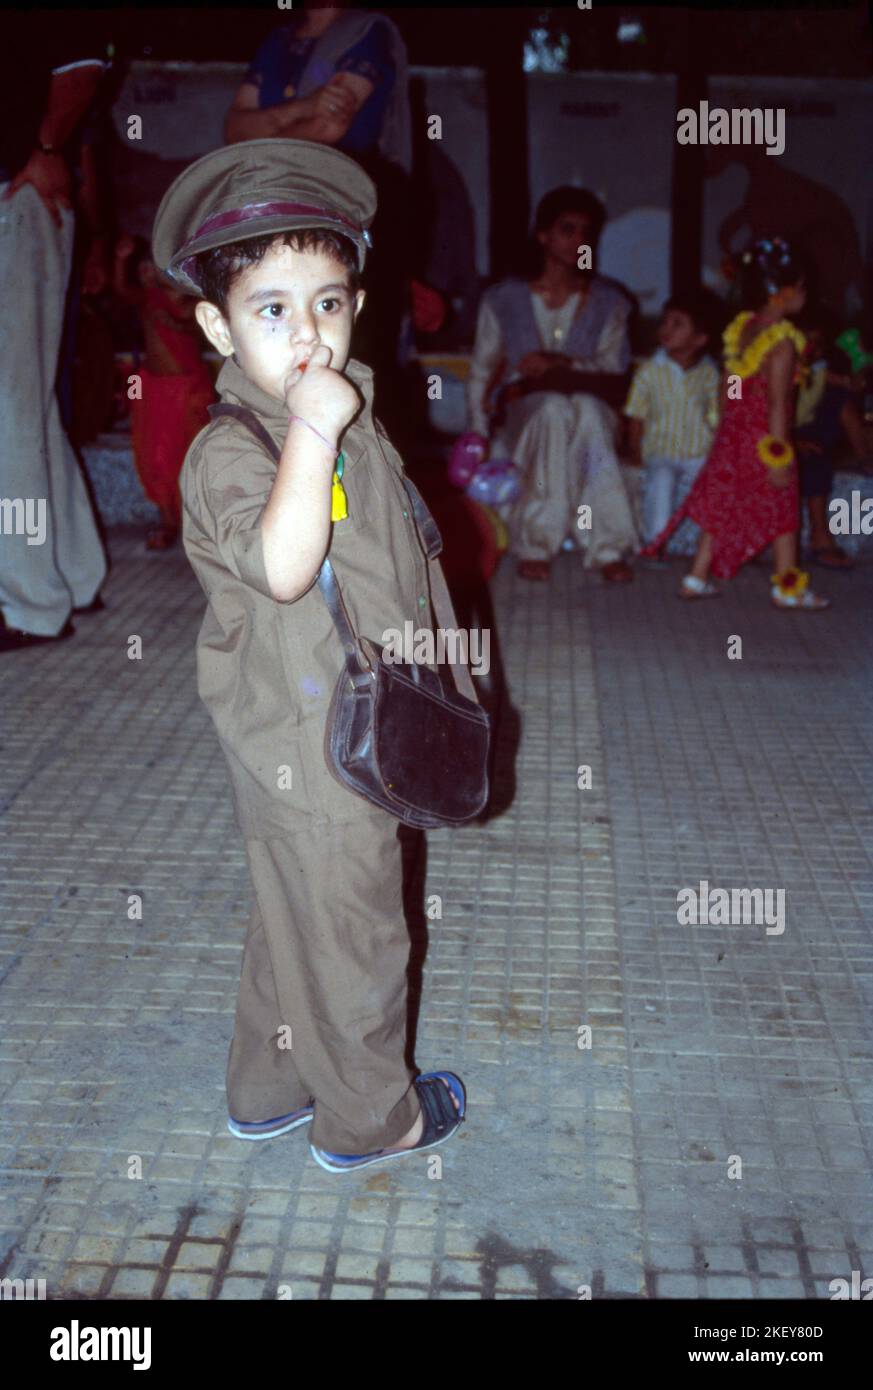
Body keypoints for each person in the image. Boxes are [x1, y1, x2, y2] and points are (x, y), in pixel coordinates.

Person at [152, 138, 468, 1170]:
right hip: (311, 734)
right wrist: (315, 436)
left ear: (358, 302)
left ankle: (270, 1085)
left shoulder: (344, 405)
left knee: (295, 907)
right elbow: (287, 565)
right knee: (361, 923)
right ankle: (376, 1121)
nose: (308, 337)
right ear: (216, 324)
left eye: (327, 302)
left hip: (343, 716)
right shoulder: (238, 447)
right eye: (271, 309)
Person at [224, 2, 413, 442]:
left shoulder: (366, 32)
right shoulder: (280, 39)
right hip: (277, 209)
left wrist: (261, 134)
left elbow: (329, 128)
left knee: (349, 343)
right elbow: (232, 127)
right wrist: (303, 106)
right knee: (275, 334)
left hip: (342, 209)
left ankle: (360, 476)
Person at [640, 237, 830, 611]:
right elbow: (778, 402)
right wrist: (777, 454)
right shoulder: (783, 343)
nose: (805, 295)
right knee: (784, 512)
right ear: (782, 293)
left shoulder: (741, 329)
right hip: (765, 438)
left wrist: (730, 423)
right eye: (802, 288)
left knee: (721, 505)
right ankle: (787, 586)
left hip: (735, 432)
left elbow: (731, 386)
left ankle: (696, 576)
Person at [0, 18, 109, 652]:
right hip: (23, 195)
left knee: (10, 406)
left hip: (16, 197)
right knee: (26, 406)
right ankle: (71, 571)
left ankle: (28, 602)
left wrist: (40, 150)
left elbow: (81, 60)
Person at [466, 187, 638, 584]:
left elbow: (614, 366)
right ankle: (536, 541)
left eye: (586, 232)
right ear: (542, 235)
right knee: (551, 408)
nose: (579, 240)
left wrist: (561, 363)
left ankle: (608, 545)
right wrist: (476, 434)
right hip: (524, 415)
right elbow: (481, 370)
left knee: (588, 411)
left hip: (589, 408)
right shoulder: (504, 299)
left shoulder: (611, 302)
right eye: (567, 229)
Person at [113, 234, 215, 550]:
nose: (144, 272)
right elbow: (120, 291)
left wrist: (172, 320)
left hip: (186, 388)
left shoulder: (185, 298)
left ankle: (193, 527)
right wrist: (120, 260)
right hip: (149, 387)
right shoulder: (144, 298)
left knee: (187, 456)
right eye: (141, 267)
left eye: (149, 267)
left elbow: (194, 326)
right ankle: (167, 522)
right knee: (153, 455)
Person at [624, 292, 722, 559]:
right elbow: (636, 414)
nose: (666, 329)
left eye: (677, 324)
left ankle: (716, 545)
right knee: (661, 481)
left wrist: (719, 447)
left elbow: (715, 413)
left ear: (700, 339)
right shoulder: (649, 370)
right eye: (665, 322)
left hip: (698, 451)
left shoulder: (709, 372)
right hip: (661, 451)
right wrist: (635, 450)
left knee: (716, 485)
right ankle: (656, 542)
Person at [794, 315, 872, 571]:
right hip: (775, 435)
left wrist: (861, 364)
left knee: (839, 399)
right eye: (806, 342)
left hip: (806, 428)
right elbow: (754, 411)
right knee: (814, 459)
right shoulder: (774, 367)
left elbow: (849, 385)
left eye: (818, 343)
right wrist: (791, 441)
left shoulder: (818, 369)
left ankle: (865, 457)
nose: (812, 349)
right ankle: (819, 537)